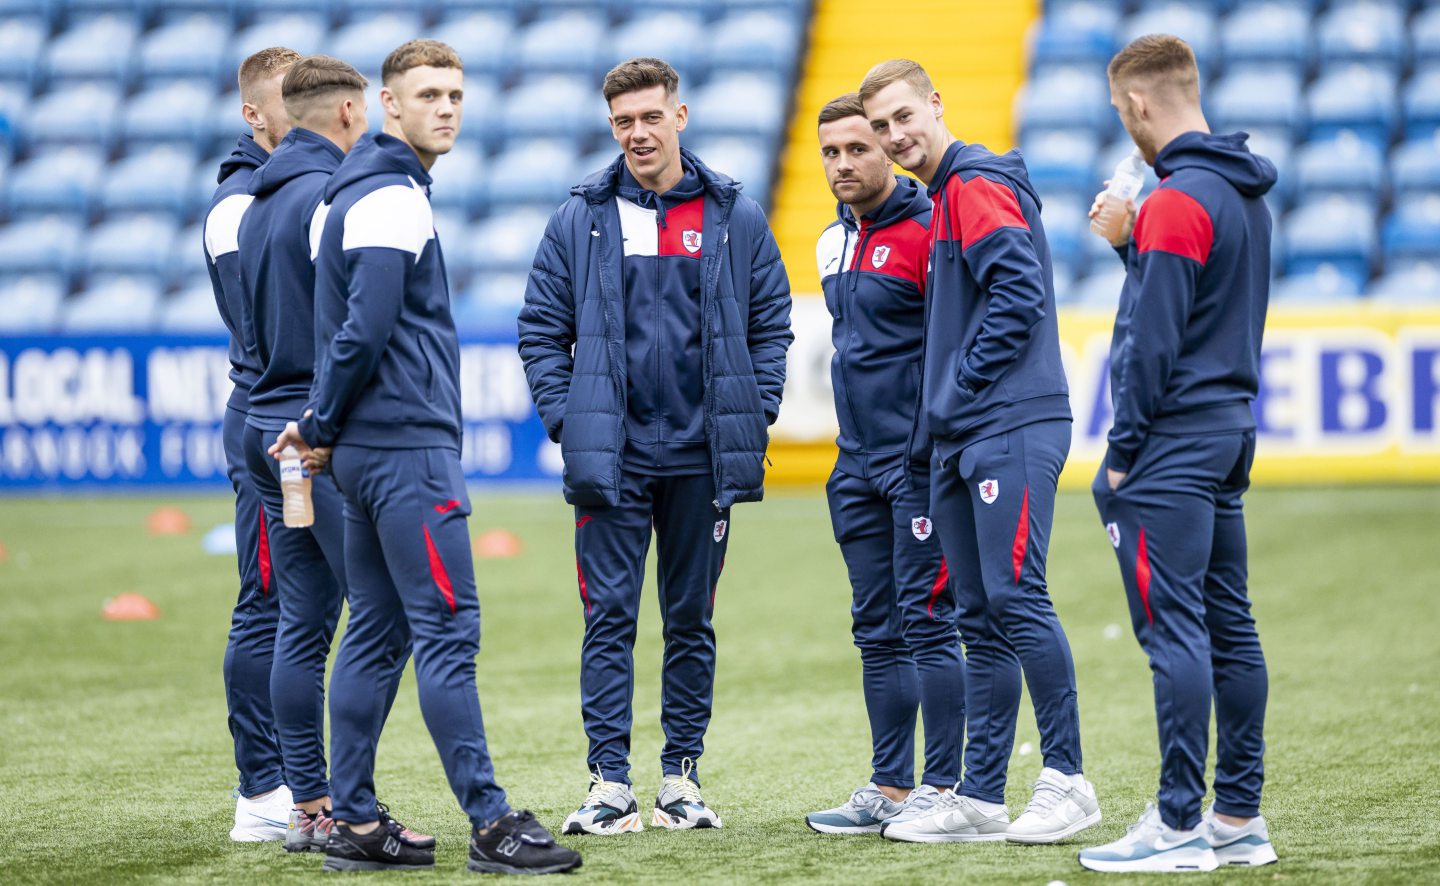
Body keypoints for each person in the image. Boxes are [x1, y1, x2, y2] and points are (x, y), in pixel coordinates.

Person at [271, 39, 580, 875]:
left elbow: (344, 329)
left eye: (456, 94)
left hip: (365, 460)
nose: (446, 108)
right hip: (406, 453)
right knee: (447, 631)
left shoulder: (343, 194)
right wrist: (323, 419)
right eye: (429, 94)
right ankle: (490, 824)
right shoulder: (393, 194)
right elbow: (365, 328)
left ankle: (358, 823)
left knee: (375, 633)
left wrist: (321, 424)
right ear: (386, 104)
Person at [517, 56, 792, 835]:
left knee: (691, 619)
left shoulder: (734, 215)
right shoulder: (582, 216)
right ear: (613, 128)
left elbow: (771, 321)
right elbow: (540, 327)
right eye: (622, 122)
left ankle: (680, 777)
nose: (637, 133)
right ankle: (610, 782)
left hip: (702, 458)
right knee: (607, 616)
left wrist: (755, 407)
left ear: (680, 115)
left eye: (649, 117)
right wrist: (569, 418)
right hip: (613, 457)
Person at [860, 59, 1099, 845]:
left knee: (1015, 595)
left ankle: (1068, 778)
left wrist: (955, 391)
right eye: (882, 127)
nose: (896, 137)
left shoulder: (973, 183)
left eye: (904, 117)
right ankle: (982, 796)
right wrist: (940, 427)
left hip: (1012, 422)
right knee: (980, 614)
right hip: (967, 435)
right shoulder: (943, 199)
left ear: (935, 104)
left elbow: (1019, 294)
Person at [1078, 35, 1277, 874]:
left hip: (1169, 444)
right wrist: (1130, 248)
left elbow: (1151, 344)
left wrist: (1121, 455)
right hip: (1227, 429)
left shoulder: (1174, 201)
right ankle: (1237, 817)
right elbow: (1200, 312)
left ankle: (1177, 825)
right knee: (1229, 625)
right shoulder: (1242, 194)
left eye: (1123, 114)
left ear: (1138, 106)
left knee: (1175, 634)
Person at [238, 53, 420, 854]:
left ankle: (307, 803)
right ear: (350, 114)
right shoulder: (329, 197)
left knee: (302, 624)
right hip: (311, 436)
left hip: (259, 420)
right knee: (387, 618)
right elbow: (350, 328)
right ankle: (354, 807)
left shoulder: (255, 201)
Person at [803, 93, 965, 836]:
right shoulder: (831, 240)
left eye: (858, 148)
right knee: (876, 628)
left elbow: (951, 351)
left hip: (918, 463)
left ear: (888, 147)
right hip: (856, 464)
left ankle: (946, 787)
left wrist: (932, 446)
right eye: (830, 151)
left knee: (929, 623)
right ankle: (891, 787)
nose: (842, 164)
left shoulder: (933, 228)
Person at [203, 45, 297, 843]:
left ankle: (308, 786)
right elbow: (265, 335)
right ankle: (261, 790)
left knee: (307, 606)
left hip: (298, 418)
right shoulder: (240, 204)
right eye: (282, 102)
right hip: (272, 420)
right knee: (266, 602)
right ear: (253, 114)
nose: (297, 116)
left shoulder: (295, 189)